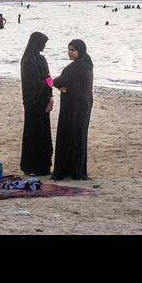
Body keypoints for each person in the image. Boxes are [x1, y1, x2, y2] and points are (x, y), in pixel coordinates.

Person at [52, 39, 94, 180]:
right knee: (78, 136)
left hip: (74, 107)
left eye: (73, 50)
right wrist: (63, 87)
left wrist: (53, 83)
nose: (69, 52)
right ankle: (75, 169)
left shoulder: (75, 67)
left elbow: (56, 81)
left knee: (68, 135)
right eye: (68, 49)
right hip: (84, 105)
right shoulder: (87, 63)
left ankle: (67, 170)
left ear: (80, 50)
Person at [20, 32, 54, 176]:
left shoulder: (41, 59)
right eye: (43, 43)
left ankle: (44, 166)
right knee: (33, 132)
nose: (44, 46)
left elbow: (49, 78)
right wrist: (46, 83)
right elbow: (32, 83)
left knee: (44, 133)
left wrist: (51, 96)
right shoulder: (27, 60)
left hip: (44, 100)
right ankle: (31, 166)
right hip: (33, 102)